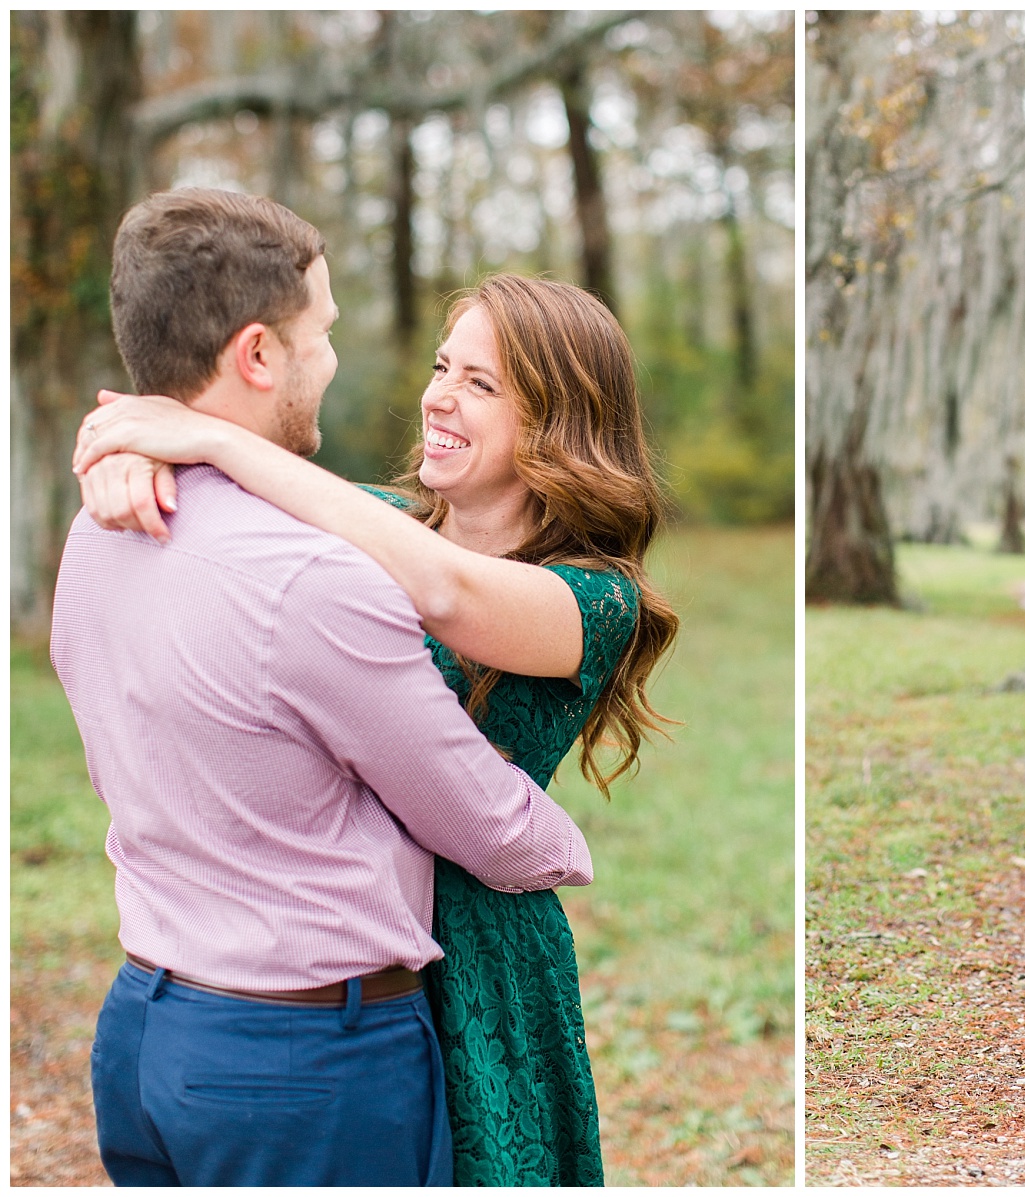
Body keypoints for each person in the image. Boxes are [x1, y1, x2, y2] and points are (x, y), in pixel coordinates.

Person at [73, 253, 678, 1181]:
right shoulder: (378, 516)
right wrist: (131, 451)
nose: (440, 397)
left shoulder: (597, 599)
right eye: (442, 367)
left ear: (558, 420)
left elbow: (447, 592)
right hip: (329, 960)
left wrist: (212, 438)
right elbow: (242, 513)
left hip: (479, 957)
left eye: (480, 383)